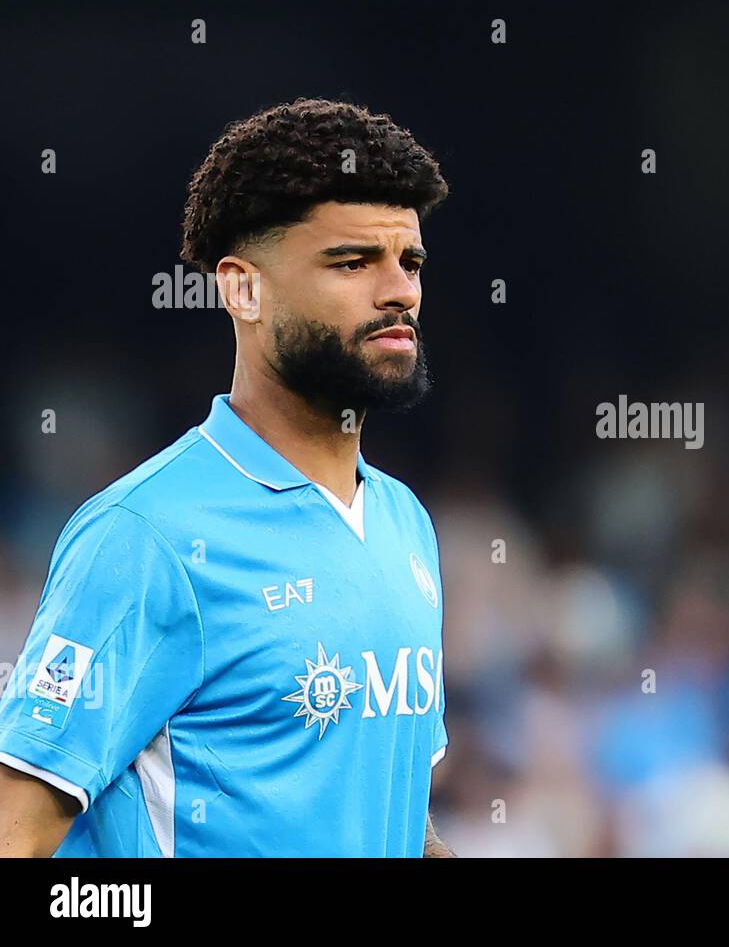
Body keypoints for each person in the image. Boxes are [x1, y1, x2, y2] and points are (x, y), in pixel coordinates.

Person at [0, 98, 454, 857]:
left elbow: (392, 810)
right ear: (243, 288)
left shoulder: (406, 522)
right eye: (352, 262)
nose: (399, 290)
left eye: (409, 262)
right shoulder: (144, 536)